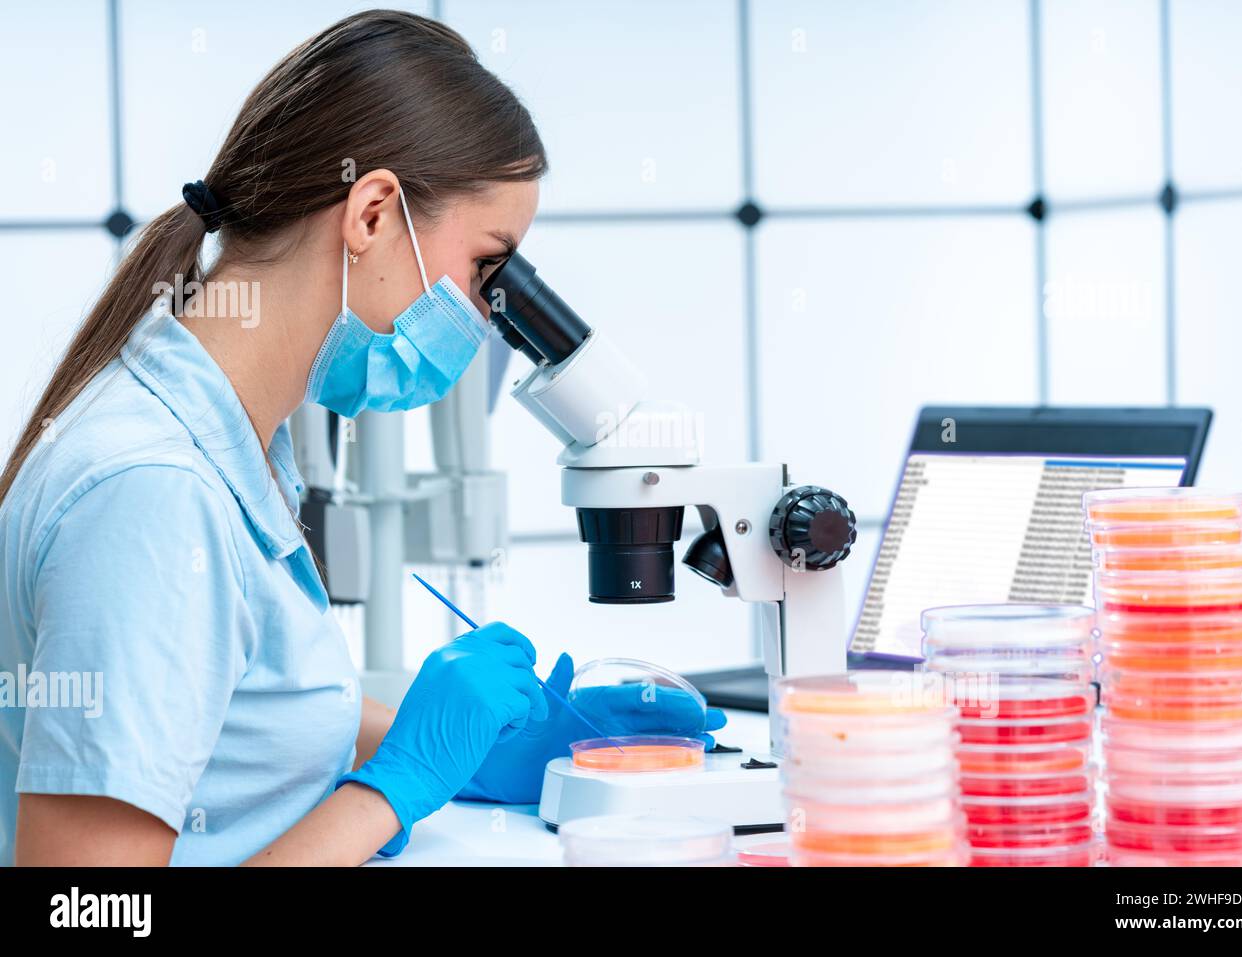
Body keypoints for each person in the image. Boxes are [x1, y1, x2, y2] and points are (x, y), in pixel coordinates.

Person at [0, 10, 722, 867]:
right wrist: (393, 786)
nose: (490, 318)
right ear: (373, 213)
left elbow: (227, 722)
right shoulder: (155, 493)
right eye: (487, 269)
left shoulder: (236, 444)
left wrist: (465, 742)